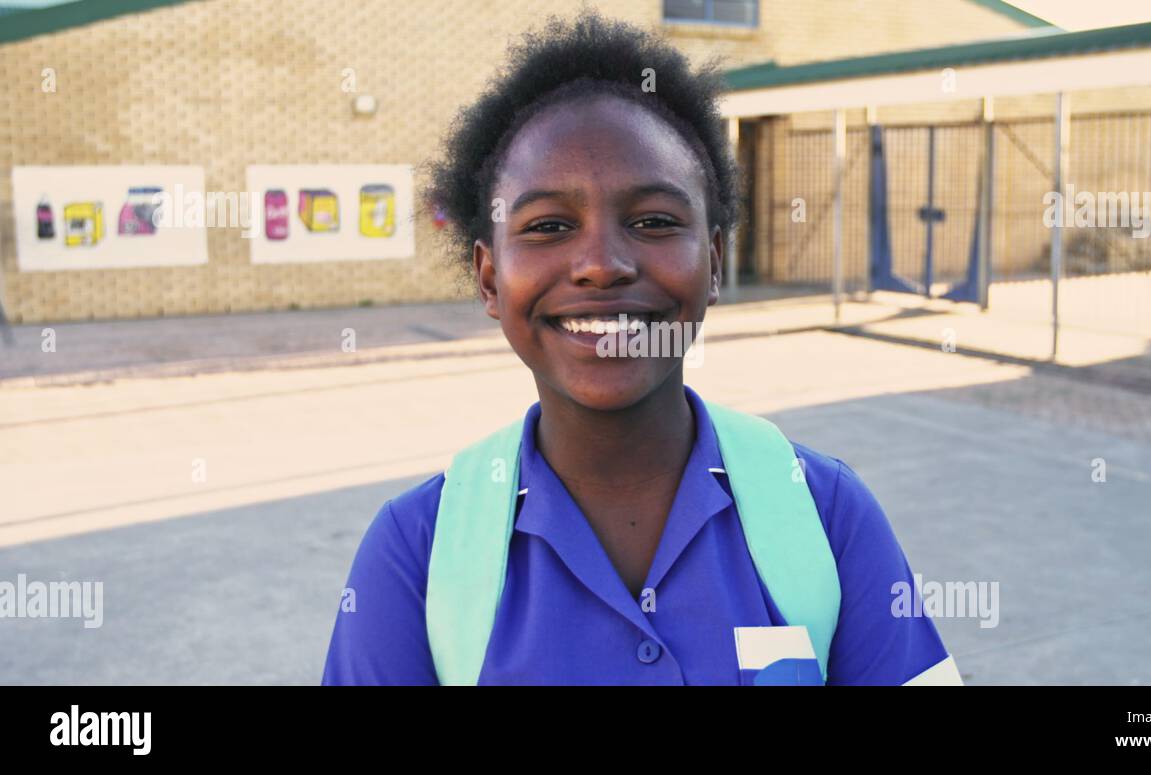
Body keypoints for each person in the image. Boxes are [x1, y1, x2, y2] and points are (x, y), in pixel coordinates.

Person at [322, 11, 958, 686]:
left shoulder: (823, 513)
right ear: (489, 276)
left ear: (713, 262)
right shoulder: (418, 552)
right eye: (549, 225)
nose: (601, 264)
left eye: (654, 221)